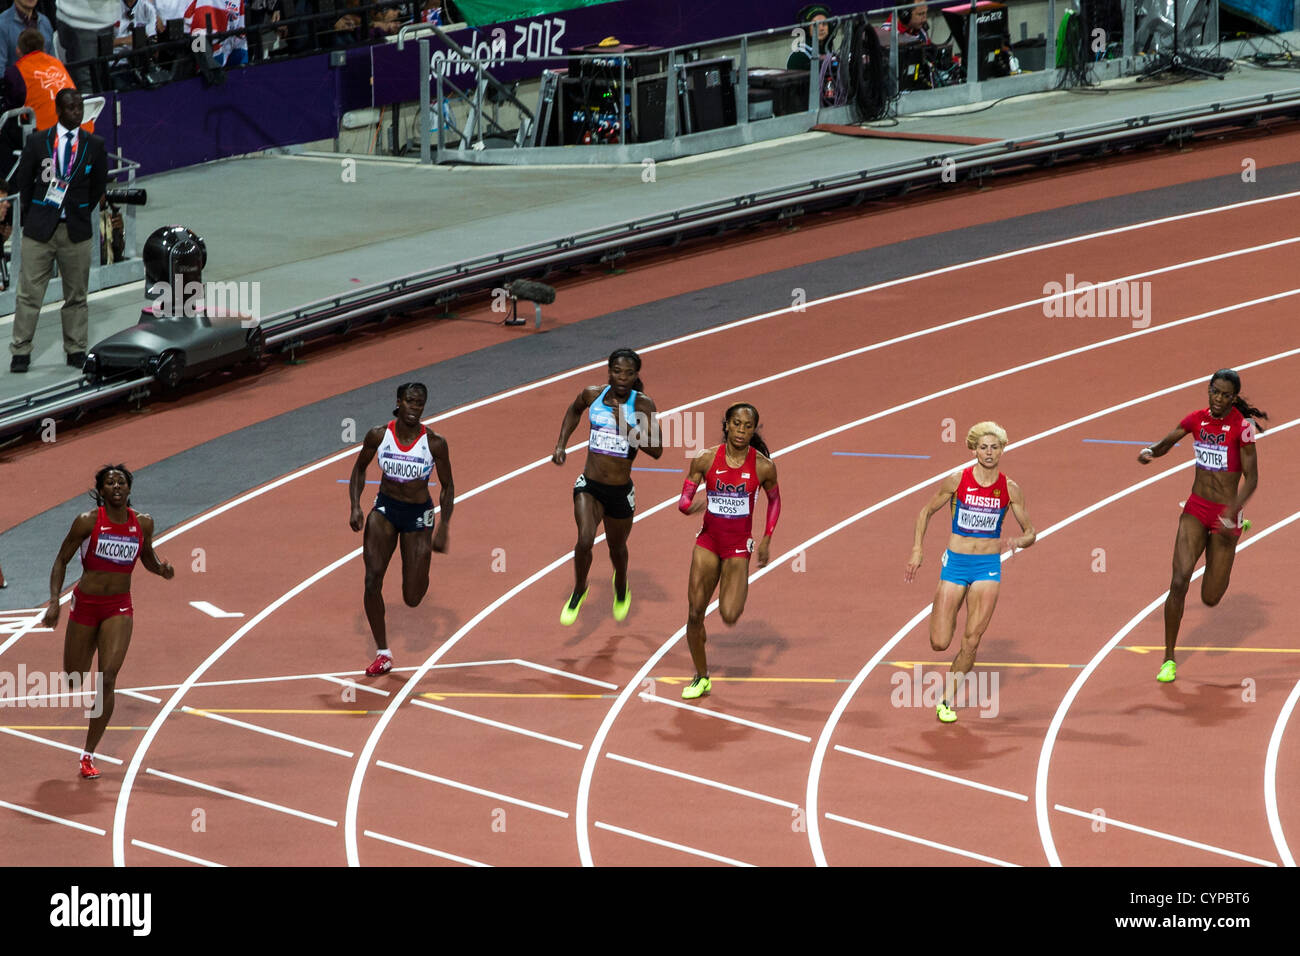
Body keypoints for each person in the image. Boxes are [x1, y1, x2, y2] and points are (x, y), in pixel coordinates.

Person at [43, 464, 174, 779]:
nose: (116, 486)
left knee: (109, 677)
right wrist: (53, 603)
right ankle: (78, 676)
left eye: (121, 482)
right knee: (74, 678)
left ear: (128, 489)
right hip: (86, 605)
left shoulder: (143, 524)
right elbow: (61, 560)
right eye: (110, 482)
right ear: (100, 491)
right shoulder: (87, 522)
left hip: (118, 607)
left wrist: (162, 570)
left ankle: (87, 755)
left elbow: (147, 558)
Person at [1138, 369, 1265, 682]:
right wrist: (1152, 452)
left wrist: (1232, 511)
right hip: (1196, 508)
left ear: (1234, 398)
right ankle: (1169, 659)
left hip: (1226, 515)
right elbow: (1170, 440)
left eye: (1225, 395)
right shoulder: (1196, 419)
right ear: (1208, 391)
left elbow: (1253, 479)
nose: (1218, 399)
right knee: (1179, 580)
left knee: (1210, 597)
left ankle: (1236, 531)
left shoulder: (1242, 428)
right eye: (1214, 392)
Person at [905, 422, 1035, 722]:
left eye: (994, 447)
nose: (989, 453)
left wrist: (1020, 541)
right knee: (939, 642)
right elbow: (925, 511)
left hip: (987, 568)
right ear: (974, 449)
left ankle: (946, 701)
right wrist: (917, 549)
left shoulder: (1010, 489)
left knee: (972, 640)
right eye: (983, 447)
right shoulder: (957, 480)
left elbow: (1031, 532)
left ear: (1002, 449)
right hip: (956, 564)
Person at [676, 403, 781, 700]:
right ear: (726, 425)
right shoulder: (705, 459)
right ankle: (702, 676)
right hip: (708, 541)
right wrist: (688, 505)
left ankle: (728, 583)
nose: (741, 430)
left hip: (738, 546)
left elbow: (775, 501)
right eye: (736, 424)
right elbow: (684, 498)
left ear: (753, 430)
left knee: (730, 615)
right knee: (695, 612)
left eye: (747, 426)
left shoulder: (763, 466)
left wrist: (767, 539)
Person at [551, 348, 663, 626]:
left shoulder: (643, 405)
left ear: (636, 375)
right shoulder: (593, 394)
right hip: (589, 486)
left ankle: (621, 584)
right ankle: (579, 589)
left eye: (628, 373)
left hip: (620, 491)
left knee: (617, 548)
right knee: (585, 540)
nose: (622, 377)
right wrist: (561, 443)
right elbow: (574, 410)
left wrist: (626, 427)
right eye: (617, 371)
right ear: (609, 370)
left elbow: (657, 449)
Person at [349, 382, 454, 676]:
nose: (415, 408)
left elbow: (448, 486)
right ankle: (383, 652)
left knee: (412, 597)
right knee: (372, 580)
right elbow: (359, 468)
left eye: (420, 403)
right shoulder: (379, 435)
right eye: (410, 401)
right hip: (385, 510)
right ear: (399, 402)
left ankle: (421, 567)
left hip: (418, 516)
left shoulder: (434, 443)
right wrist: (355, 506)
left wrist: (444, 525)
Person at [2, 88, 108, 373]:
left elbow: (99, 185)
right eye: (71, 108)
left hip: (75, 230)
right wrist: (34, 213)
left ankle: (75, 349)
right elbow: (23, 183)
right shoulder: (38, 142)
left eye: (80, 108)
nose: (77, 112)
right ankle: (20, 351)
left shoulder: (94, 145)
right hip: (40, 231)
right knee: (29, 294)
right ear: (59, 111)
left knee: (76, 295)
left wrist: (80, 210)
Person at [0, 0, 54, 79]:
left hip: (45, 84)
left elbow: (53, 62)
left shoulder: (45, 22)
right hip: (16, 87)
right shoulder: (2, 25)